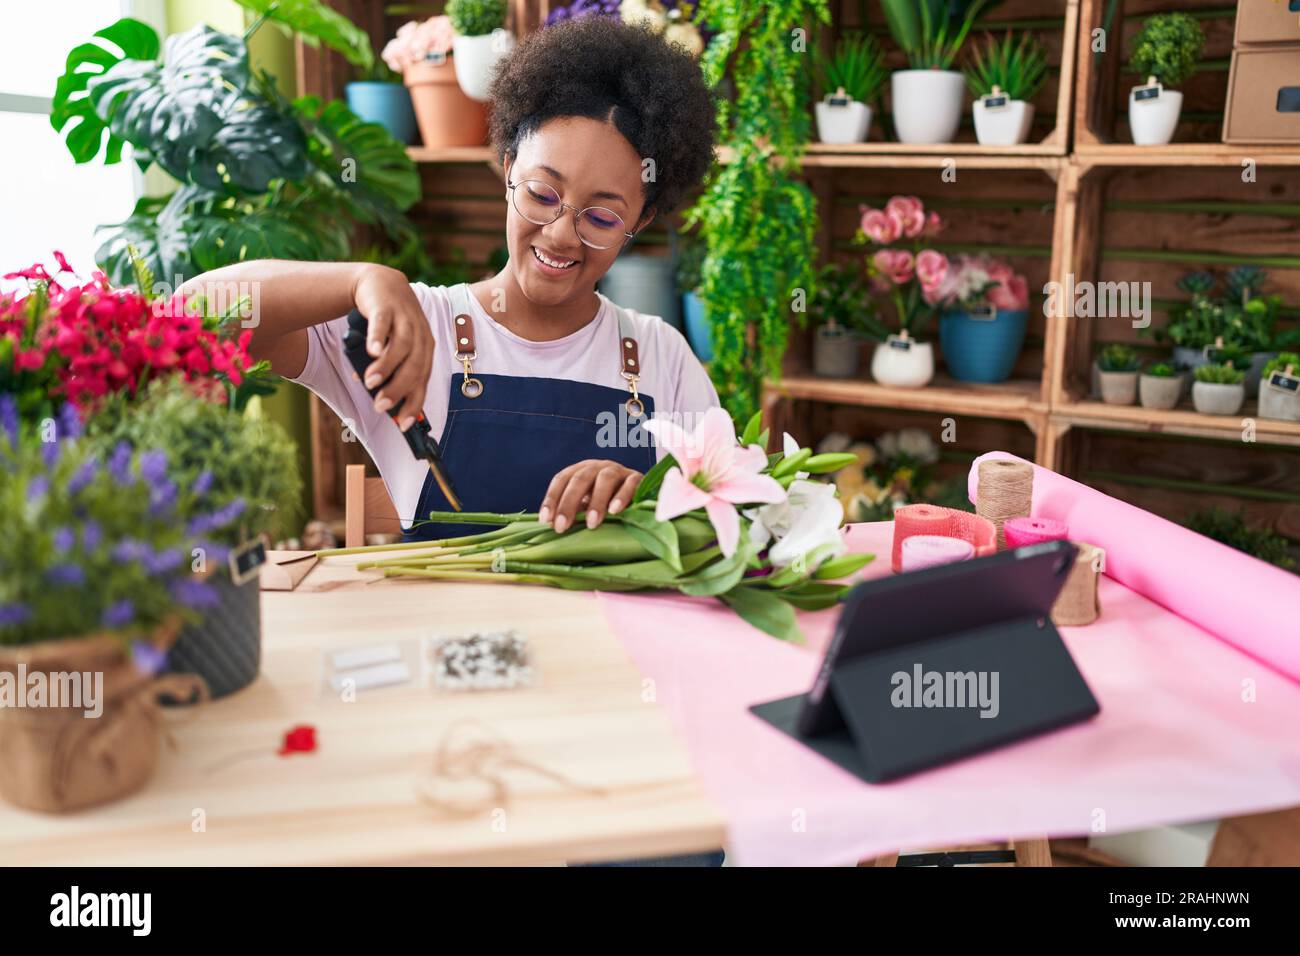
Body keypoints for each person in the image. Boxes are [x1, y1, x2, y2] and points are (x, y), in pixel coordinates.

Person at [181, 16, 720, 541]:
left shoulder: (659, 357)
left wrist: (650, 502)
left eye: (601, 217)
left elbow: (730, 527)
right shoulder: (406, 329)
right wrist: (365, 281)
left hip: (604, 634)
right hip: (439, 633)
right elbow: (192, 311)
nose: (560, 235)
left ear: (640, 222)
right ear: (508, 168)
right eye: (541, 193)